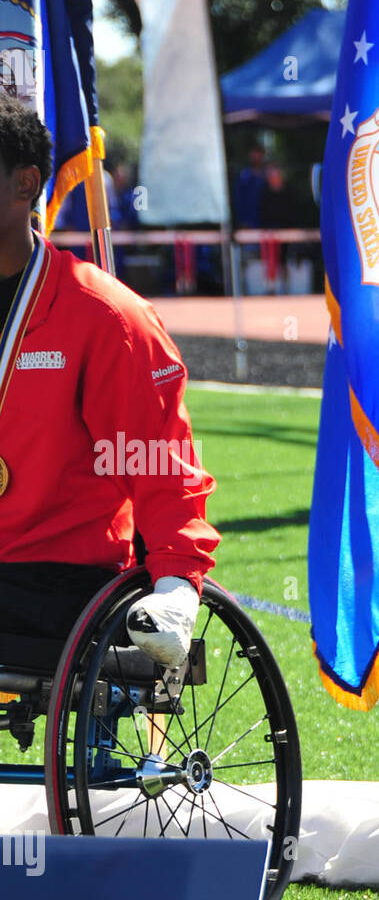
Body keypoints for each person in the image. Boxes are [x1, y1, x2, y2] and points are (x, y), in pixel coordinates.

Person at [0, 95, 217, 661]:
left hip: (56, 577)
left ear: (25, 185)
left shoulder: (106, 317)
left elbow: (158, 461)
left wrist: (176, 582)